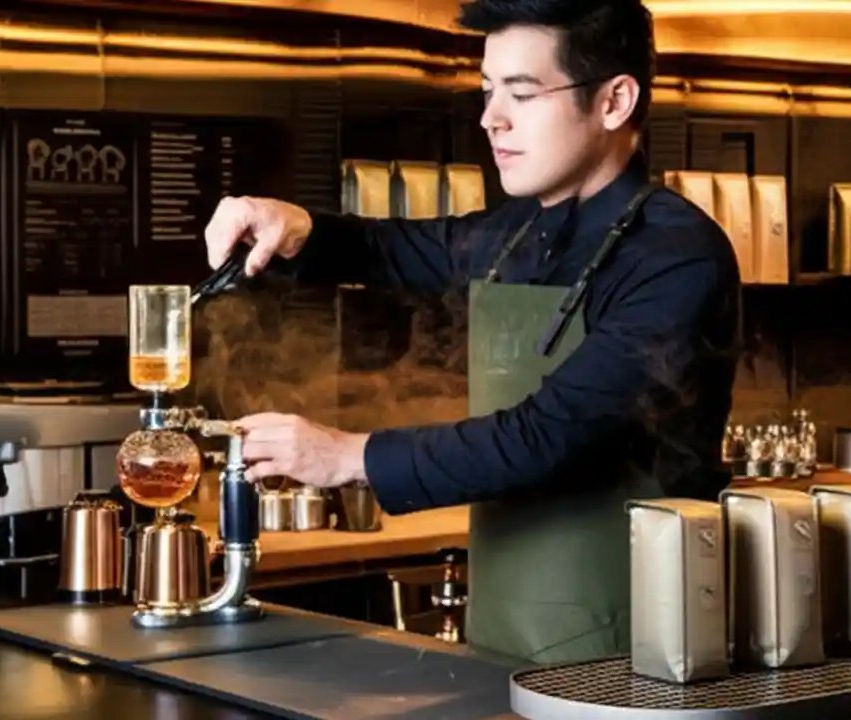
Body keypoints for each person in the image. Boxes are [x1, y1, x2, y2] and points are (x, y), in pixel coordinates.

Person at [202, 0, 741, 665]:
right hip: (504, 638)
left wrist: (346, 456)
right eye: (488, 92)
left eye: (521, 93)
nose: (491, 119)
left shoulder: (674, 255)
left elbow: (546, 436)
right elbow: (381, 248)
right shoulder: (511, 234)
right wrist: (288, 222)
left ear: (615, 101)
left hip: (644, 648)